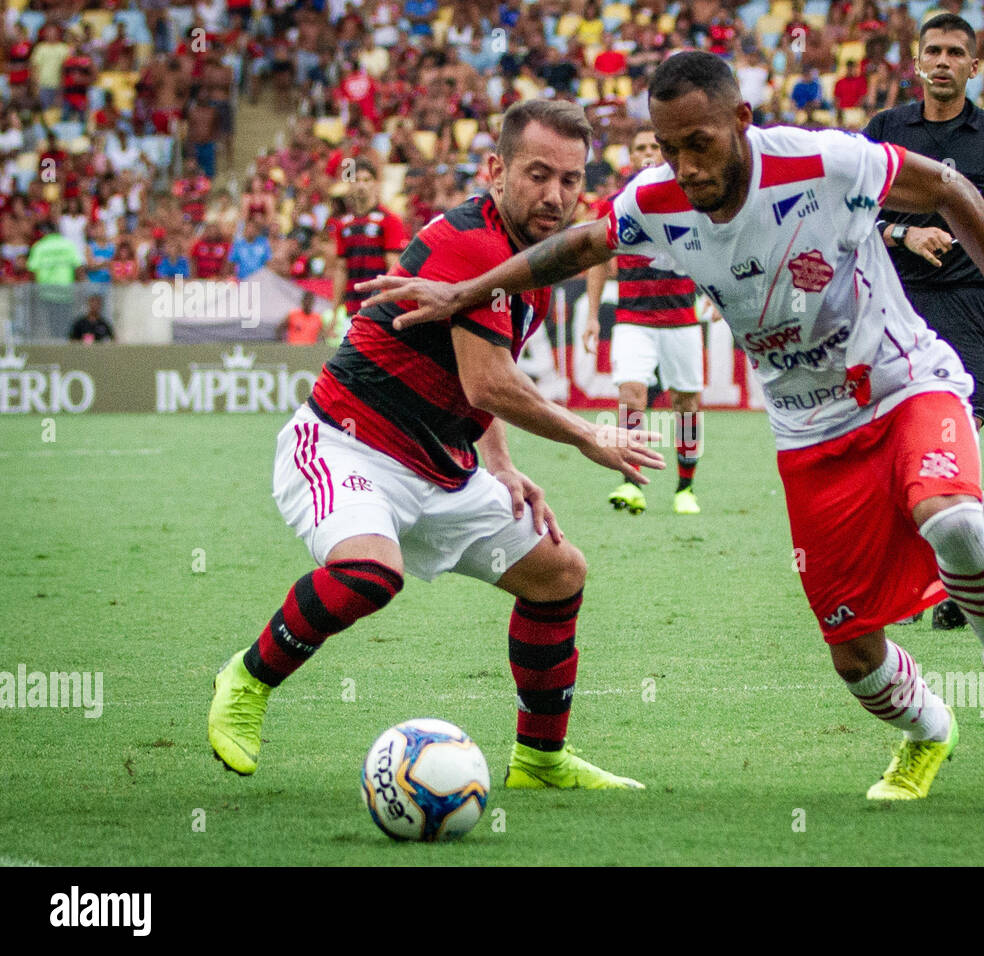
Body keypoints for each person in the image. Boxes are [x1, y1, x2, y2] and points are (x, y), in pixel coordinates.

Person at [361, 54, 984, 800]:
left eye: (698, 143)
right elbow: (577, 247)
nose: (684, 167)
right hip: (808, 430)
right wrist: (466, 291)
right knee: (854, 654)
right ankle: (929, 731)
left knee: (949, 513)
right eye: (668, 148)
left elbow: (951, 187)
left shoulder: (825, 160)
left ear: (741, 122)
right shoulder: (660, 198)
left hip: (903, 383)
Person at [208, 100, 662, 790]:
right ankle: (246, 677)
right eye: (538, 174)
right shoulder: (473, 244)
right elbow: (489, 386)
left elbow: (479, 375)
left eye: (571, 180)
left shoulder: (528, 261)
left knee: (557, 575)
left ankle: (540, 762)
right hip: (345, 445)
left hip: (437, 465)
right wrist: (587, 435)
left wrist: (503, 465)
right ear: (494, 170)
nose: (555, 195)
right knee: (370, 574)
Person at [866, 13, 984, 631]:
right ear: (917, 64)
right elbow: (847, 213)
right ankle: (903, 578)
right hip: (888, 303)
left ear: (975, 67)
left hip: (965, 307)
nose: (943, 61)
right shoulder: (886, 130)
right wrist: (903, 231)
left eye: (955, 52)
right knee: (890, 442)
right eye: (933, 51)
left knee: (958, 438)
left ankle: (956, 580)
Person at [583, 126, 706, 516]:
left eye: (656, 145)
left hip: (682, 319)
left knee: (686, 404)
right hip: (632, 319)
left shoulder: (690, 202)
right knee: (631, 397)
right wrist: (590, 316)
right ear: (630, 158)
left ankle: (685, 488)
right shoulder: (613, 206)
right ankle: (630, 482)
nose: (649, 152)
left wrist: (723, 295)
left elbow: (714, 248)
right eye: (641, 148)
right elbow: (597, 261)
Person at [333, 158, 407, 325]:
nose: (361, 185)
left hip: (380, 307)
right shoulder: (343, 225)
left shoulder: (390, 221)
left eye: (366, 180)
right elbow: (341, 270)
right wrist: (334, 310)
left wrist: (396, 306)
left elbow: (394, 267)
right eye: (356, 180)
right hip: (351, 310)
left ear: (376, 184)